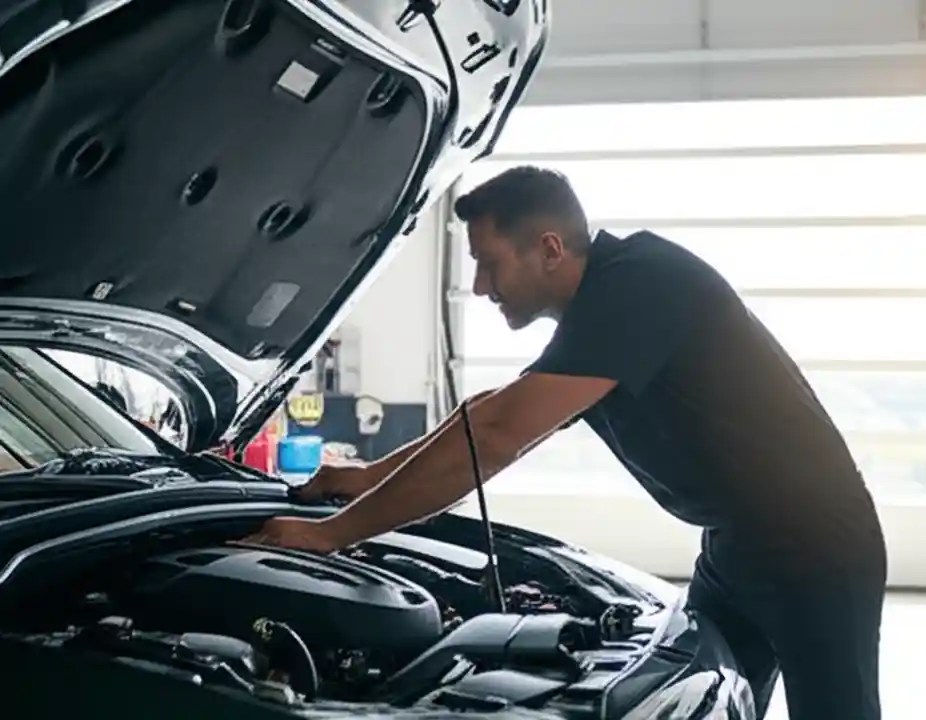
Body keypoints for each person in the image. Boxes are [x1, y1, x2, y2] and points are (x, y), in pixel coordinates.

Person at [242, 166, 888, 719]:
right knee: (706, 701)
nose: (481, 286)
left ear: (549, 248)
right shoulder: (605, 305)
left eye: (490, 263)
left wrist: (333, 535)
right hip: (737, 544)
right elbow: (489, 413)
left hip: (814, 542)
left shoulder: (638, 285)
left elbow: (499, 434)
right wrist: (366, 478)